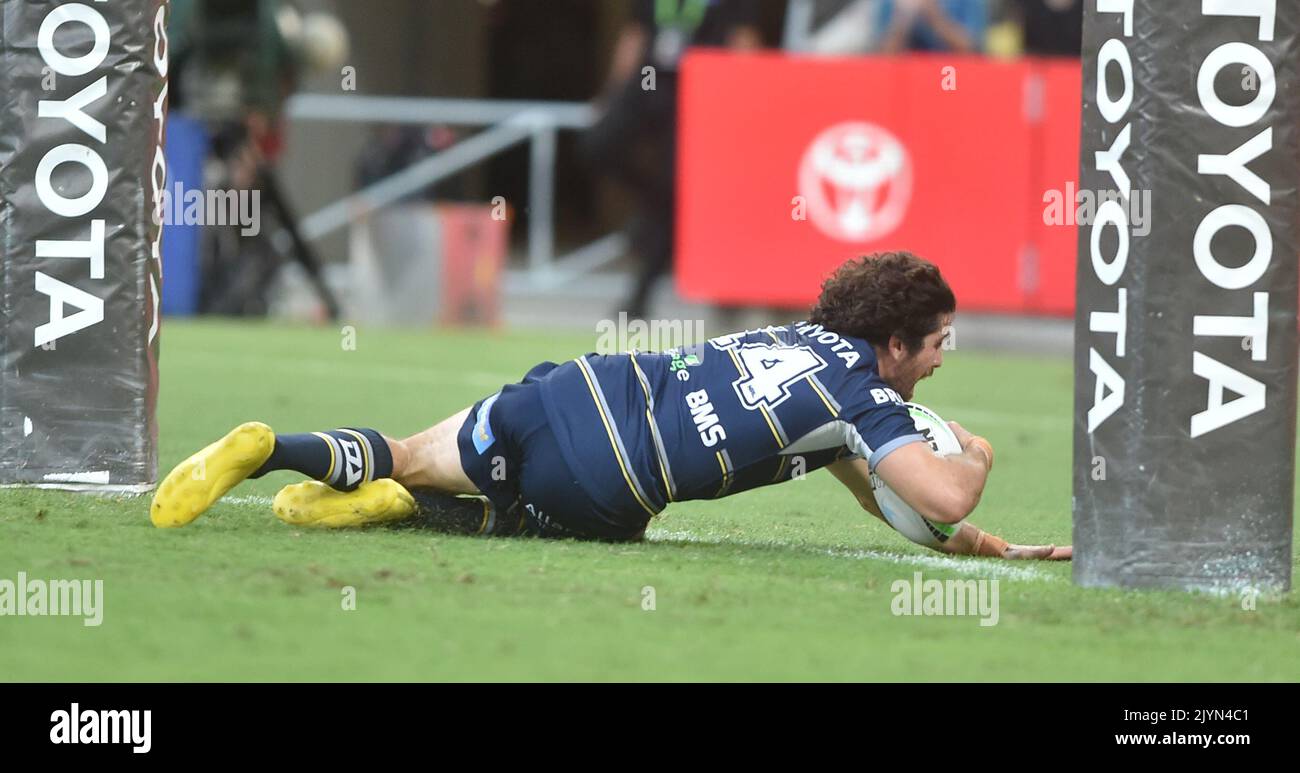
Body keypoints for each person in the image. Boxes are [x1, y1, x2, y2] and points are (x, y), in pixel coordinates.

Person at [150, 252, 1071, 561]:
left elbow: (875, 489)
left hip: (578, 386)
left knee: (400, 447)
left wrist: (989, 549)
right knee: (556, 529)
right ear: (896, 343)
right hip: (609, 477)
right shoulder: (864, 394)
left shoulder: (799, 347)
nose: (944, 360)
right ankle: (424, 511)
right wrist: (975, 456)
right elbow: (938, 495)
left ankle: (272, 448)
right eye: (939, 341)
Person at [582, 0, 763, 319]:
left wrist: (740, 97)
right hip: (650, 78)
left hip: (702, 87)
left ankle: (640, 297)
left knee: (674, 191)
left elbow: (743, 41)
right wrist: (612, 91)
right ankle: (652, 201)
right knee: (599, 145)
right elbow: (635, 34)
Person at [877, 0, 986, 54]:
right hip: (907, 81)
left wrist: (934, 17)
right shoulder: (891, 3)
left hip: (953, 78)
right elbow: (882, 57)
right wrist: (903, 18)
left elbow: (971, 50)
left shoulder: (967, 2)